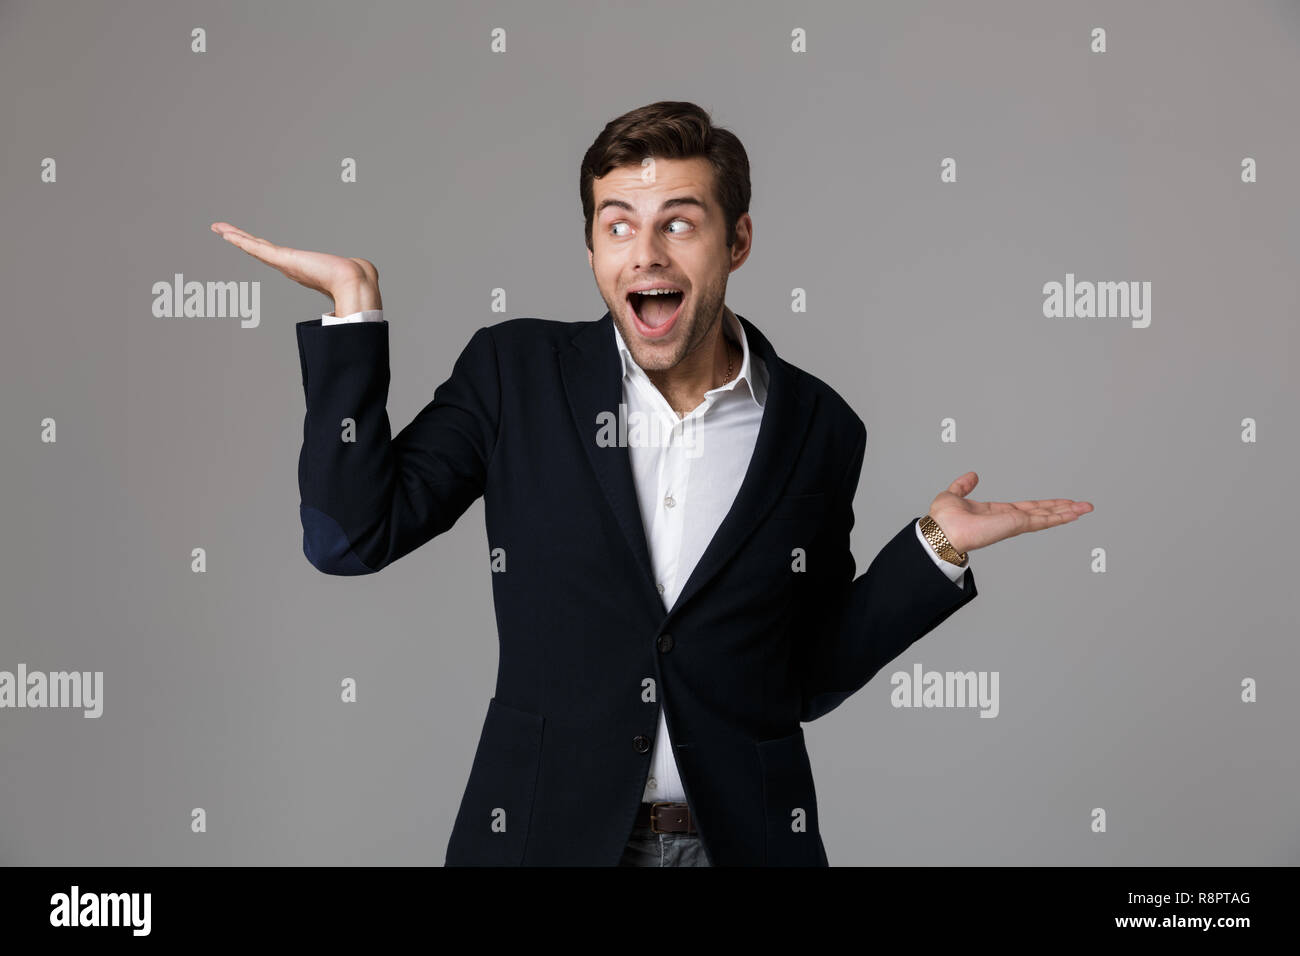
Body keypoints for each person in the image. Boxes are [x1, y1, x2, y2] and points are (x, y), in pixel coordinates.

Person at [212, 100, 1092, 866]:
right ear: (592, 248)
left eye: (679, 221)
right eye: (617, 224)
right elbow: (347, 538)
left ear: (737, 239)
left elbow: (803, 679)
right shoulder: (513, 376)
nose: (646, 252)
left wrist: (933, 550)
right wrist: (352, 314)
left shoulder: (820, 427)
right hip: (542, 841)